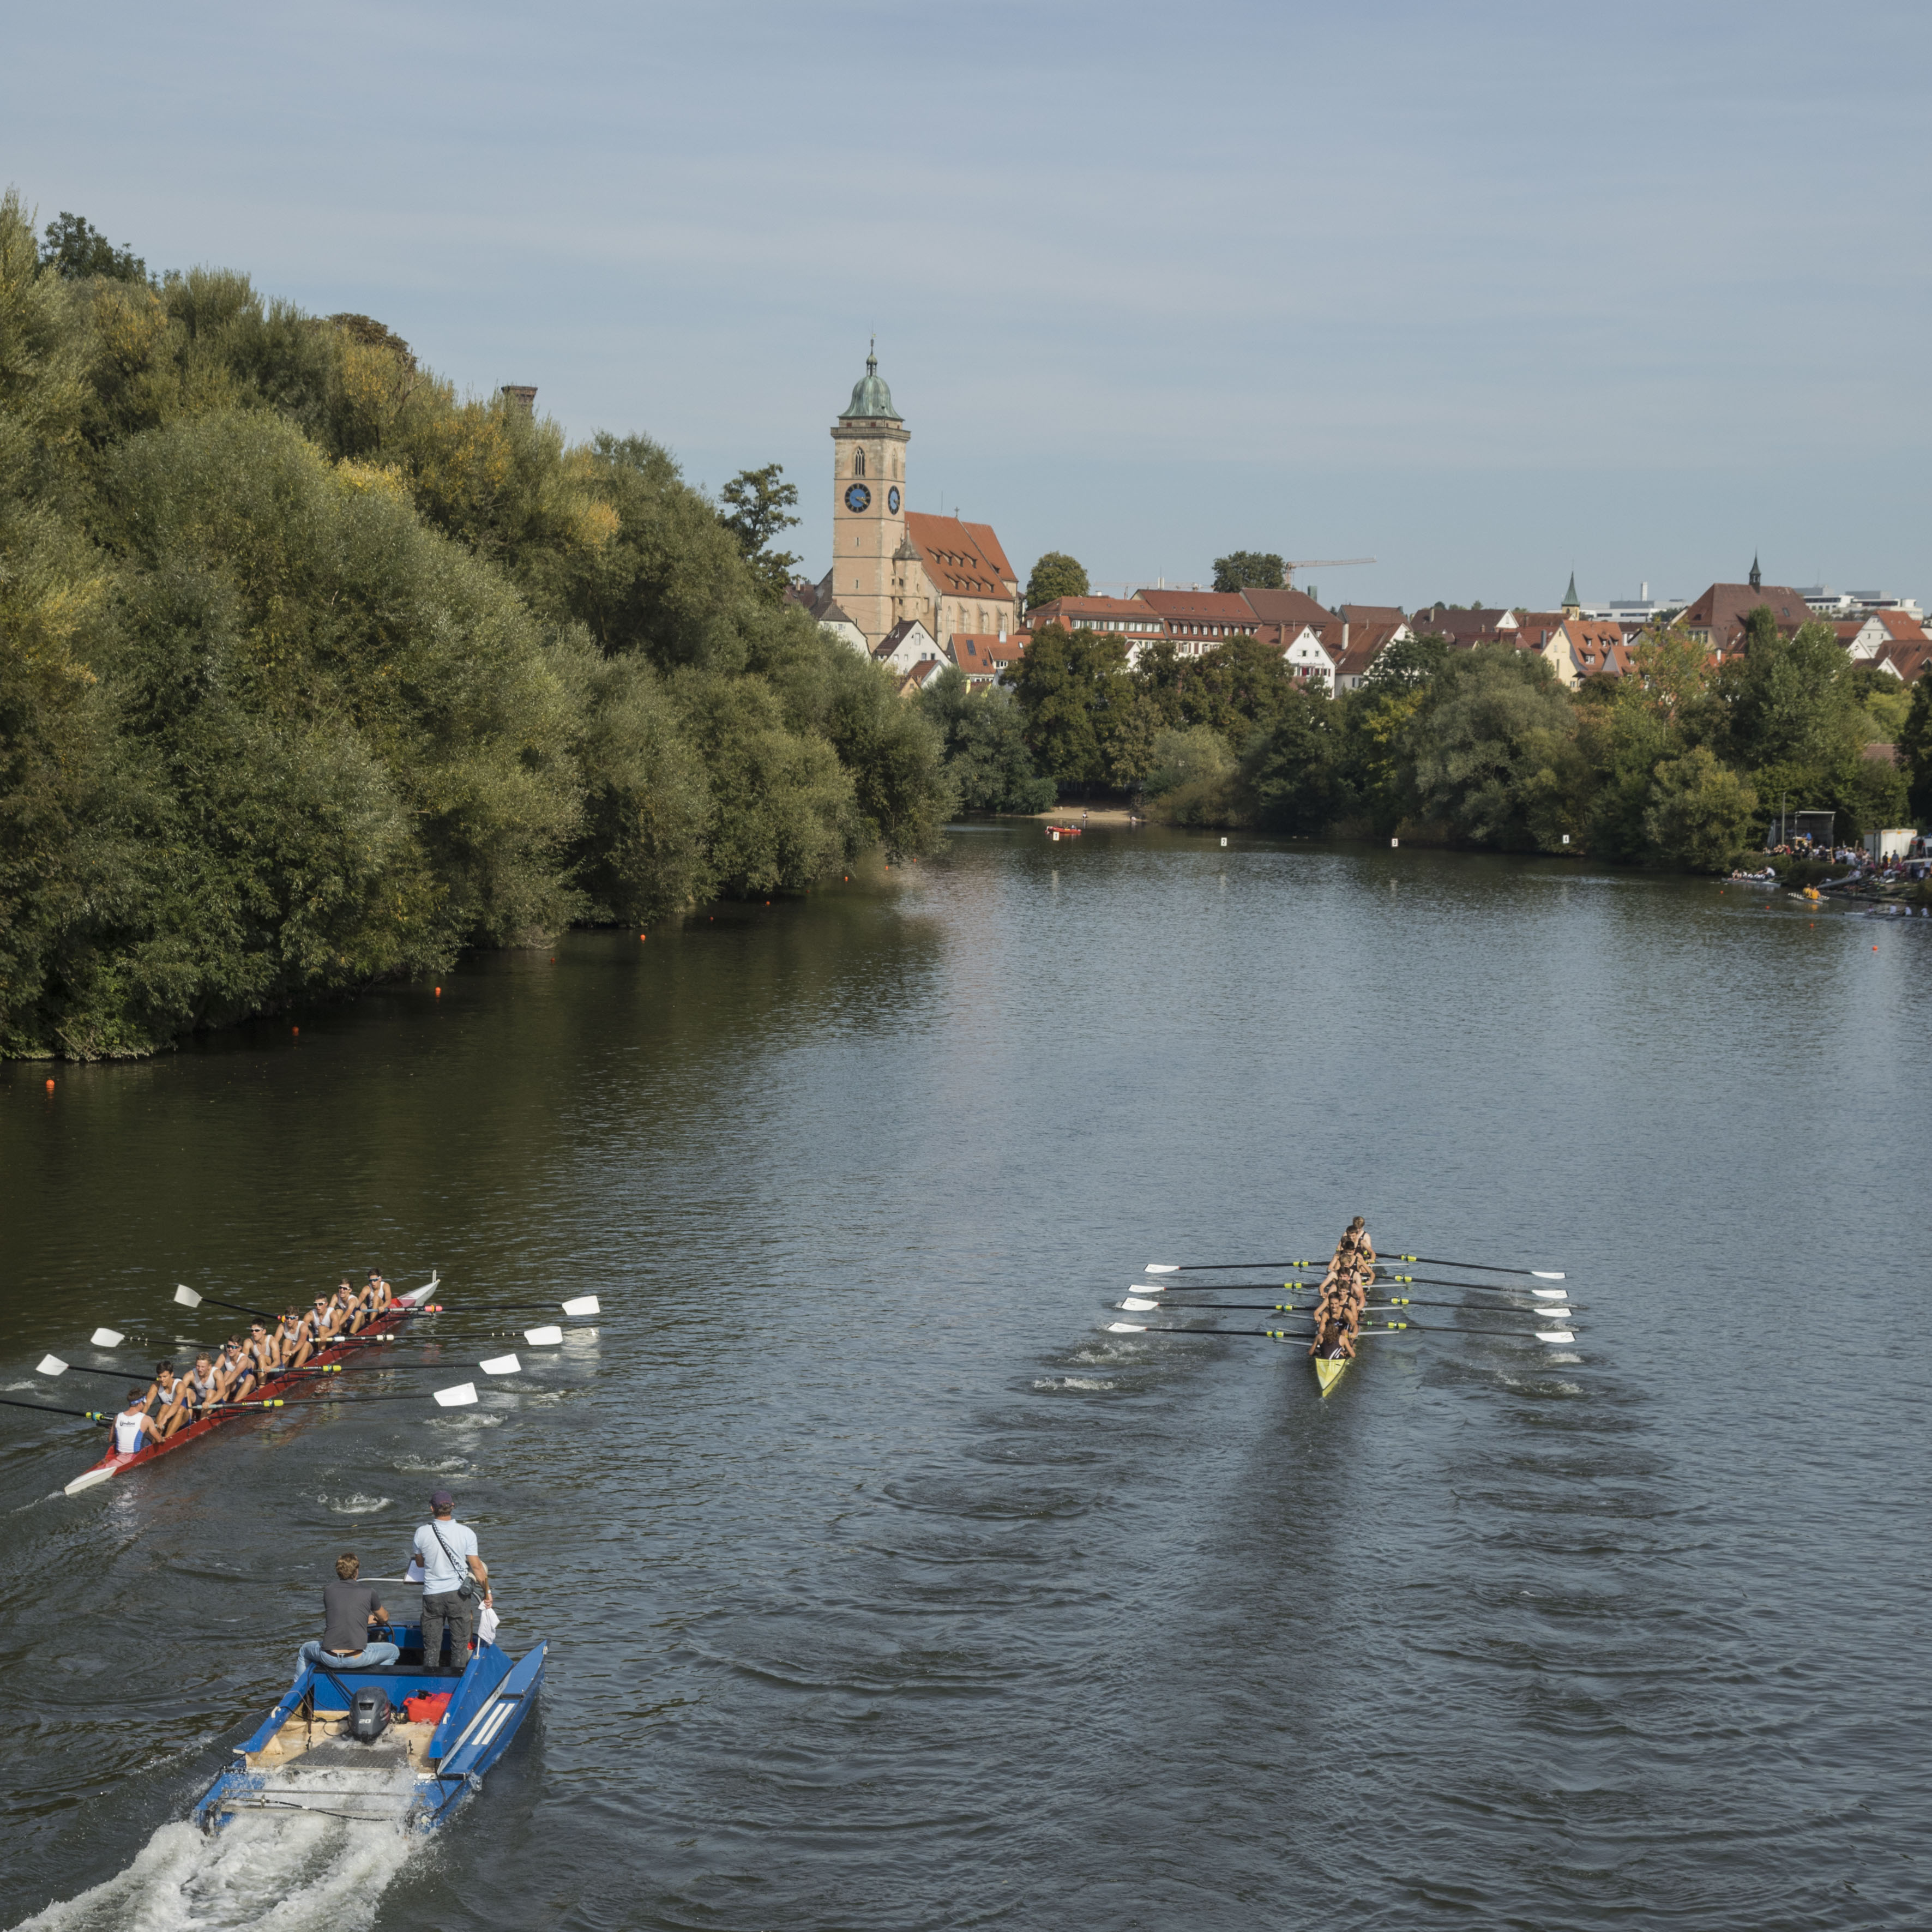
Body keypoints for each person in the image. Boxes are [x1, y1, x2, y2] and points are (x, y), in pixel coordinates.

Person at [294, 1552, 400, 1683]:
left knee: (305, 1650)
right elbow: (384, 1618)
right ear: (357, 1571)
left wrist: (365, 1619)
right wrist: (374, 1619)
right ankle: (372, 1682)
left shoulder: (329, 1591)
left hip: (329, 1657)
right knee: (394, 1651)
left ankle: (297, 1691)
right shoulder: (369, 1592)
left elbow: (342, 1615)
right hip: (356, 1659)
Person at [413, 1491, 486, 1674]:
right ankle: (456, 1680)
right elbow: (477, 1567)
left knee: (431, 1647)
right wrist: (488, 1594)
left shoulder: (421, 1532)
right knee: (459, 1645)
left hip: (432, 1596)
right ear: (452, 1507)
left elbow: (420, 1563)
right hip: (458, 1596)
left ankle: (429, 1681)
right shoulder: (466, 1533)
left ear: (432, 1509)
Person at [143, 1362, 193, 1441]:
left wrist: (165, 1419)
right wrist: (140, 1417)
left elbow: (176, 1405)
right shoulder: (155, 1385)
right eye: (160, 1377)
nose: (162, 1380)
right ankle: (156, 1439)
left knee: (181, 1409)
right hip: (167, 1419)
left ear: (172, 1375)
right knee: (164, 1407)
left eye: (165, 1377)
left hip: (183, 1419)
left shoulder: (180, 1385)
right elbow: (147, 1404)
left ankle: (166, 1440)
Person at [112, 1389, 149, 1456]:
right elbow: (159, 1440)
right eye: (144, 1402)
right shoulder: (146, 1419)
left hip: (119, 1452)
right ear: (140, 1403)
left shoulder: (117, 1417)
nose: (145, 1404)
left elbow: (110, 1440)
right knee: (149, 1437)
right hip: (136, 1454)